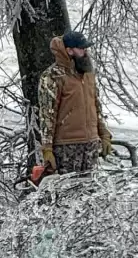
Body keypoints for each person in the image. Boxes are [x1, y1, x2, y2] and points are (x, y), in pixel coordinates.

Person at [38, 31, 113, 175]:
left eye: (85, 48)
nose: (85, 51)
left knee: (90, 188)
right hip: (66, 147)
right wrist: (47, 148)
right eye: (81, 48)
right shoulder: (53, 76)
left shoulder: (88, 74)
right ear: (69, 50)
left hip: (91, 145)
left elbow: (96, 106)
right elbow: (47, 114)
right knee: (68, 188)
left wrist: (104, 134)